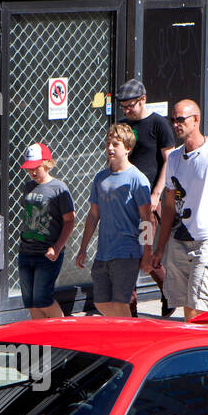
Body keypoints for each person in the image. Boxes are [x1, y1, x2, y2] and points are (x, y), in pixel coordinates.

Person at [153, 100, 208, 322]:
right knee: (187, 307)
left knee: (201, 306)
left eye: (181, 119)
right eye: (173, 120)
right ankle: (199, 350)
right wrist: (160, 248)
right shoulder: (173, 158)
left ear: (196, 120)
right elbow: (170, 207)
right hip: (180, 238)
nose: (176, 124)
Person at [75, 124, 154, 318]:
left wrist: (147, 253)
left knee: (120, 303)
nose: (110, 148)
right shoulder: (100, 178)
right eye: (108, 143)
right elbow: (93, 215)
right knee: (101, 303)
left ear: (127, 148)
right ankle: (131, 327)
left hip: (126, 251)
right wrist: (83, 247)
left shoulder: (137, 179)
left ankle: (130, 339)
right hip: (104, 252)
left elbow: (146, 218)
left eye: (115, 144)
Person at [117, 78, 178, 316]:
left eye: (131, 105)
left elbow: (169, 161)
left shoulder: (158, 124)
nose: (127, 110)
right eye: (123, 107)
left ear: (143, 100)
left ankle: (169, 292)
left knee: (147, 250)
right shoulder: (123, 125)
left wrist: (157, 193)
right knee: (127, 252)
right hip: (125, 200)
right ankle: (130, 309)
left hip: (148, 200)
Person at [16, 143, 75, 319]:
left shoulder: (59, 188)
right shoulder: (28, 187)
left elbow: (70, 220)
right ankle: (40, 340)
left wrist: (57, 247)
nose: (33, 173)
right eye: (29, 169)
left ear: (47, 164)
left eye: (37, 168)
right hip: (26, 250)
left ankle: (61, 332)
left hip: (48, 252)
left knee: (42, 297)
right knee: (30, 300)